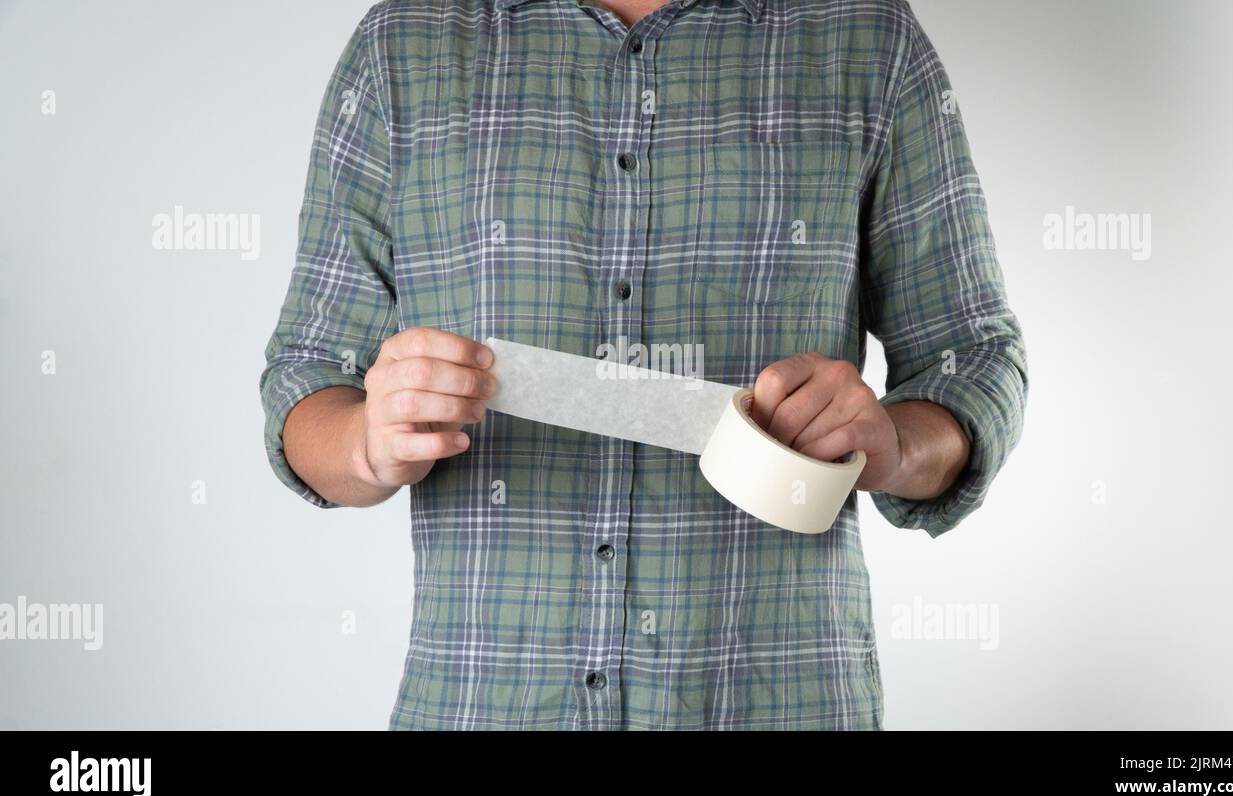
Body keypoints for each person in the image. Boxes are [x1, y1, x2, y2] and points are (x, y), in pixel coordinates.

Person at [260, 0, 1027, 730]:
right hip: (481, 702)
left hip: (780, 700)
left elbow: (977, 363)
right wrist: (366, 439)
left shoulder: (867, 38)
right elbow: (306, 376)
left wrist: (891, 444)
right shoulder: (404, 47)